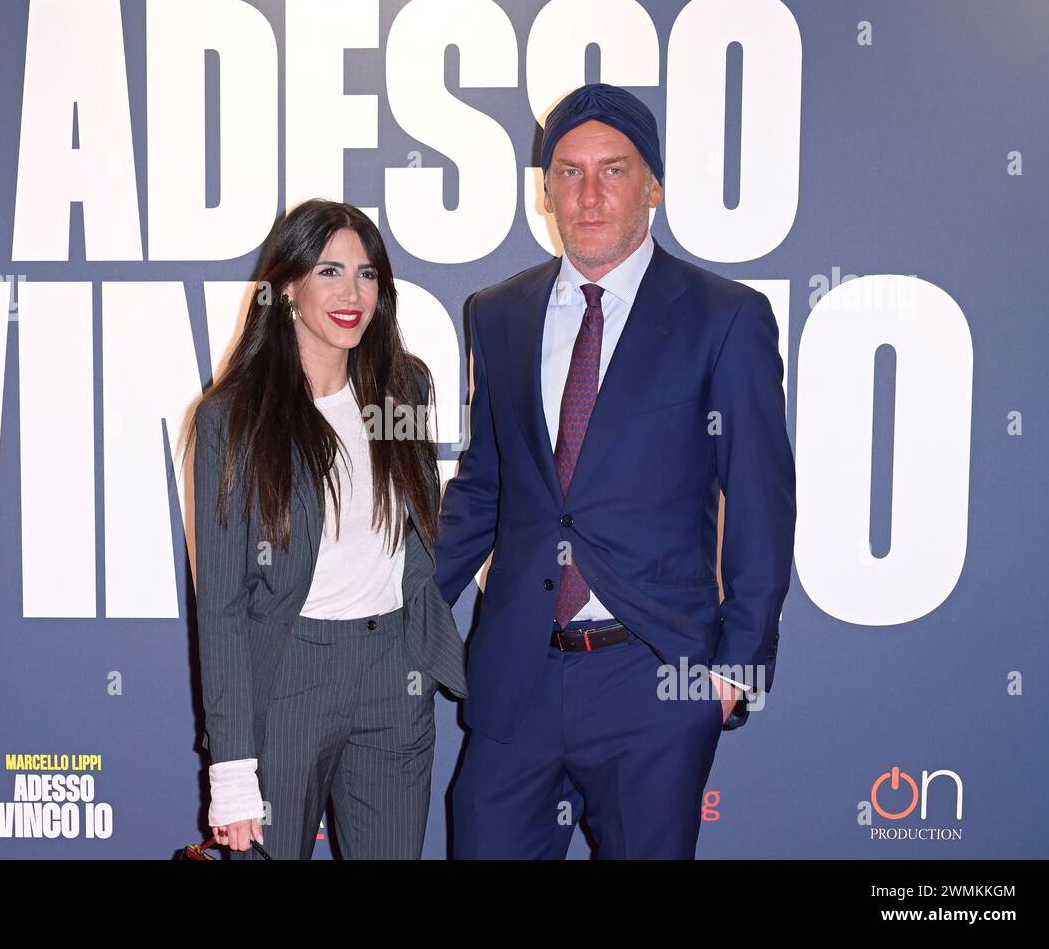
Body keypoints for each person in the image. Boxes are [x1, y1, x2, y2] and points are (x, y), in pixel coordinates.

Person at [436, 83, 796, 858]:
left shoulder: (723, 316)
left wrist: (739, 664)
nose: (589, 194)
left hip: (653, 680)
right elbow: (483, 487)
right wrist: (397, 610)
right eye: (568, 173)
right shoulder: (497, 312)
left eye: (613, 171)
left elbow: (762, 496)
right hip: (516, 676)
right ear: (545, 193)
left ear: (653, 187)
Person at [186, 198, 467, 860]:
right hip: (289, 680)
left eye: (367, 275)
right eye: (330, 272)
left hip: (395, 674)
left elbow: (422, 532)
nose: (352, 293)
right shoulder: (234, 418)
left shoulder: (407, 388)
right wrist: (231, 769)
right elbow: (221, 605)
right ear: (287, 287)